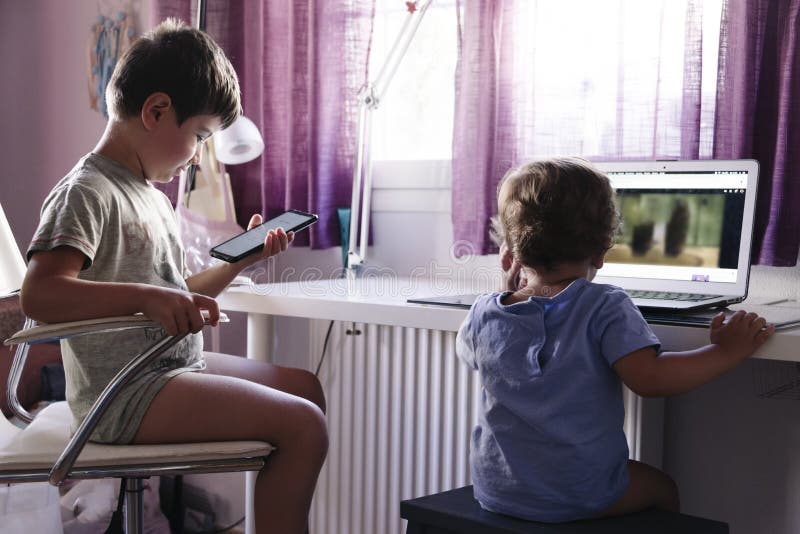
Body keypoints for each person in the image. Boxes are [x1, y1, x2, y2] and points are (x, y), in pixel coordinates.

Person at [20, 19, 327, 534]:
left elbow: (174, 296)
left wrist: (238, 263)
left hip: (169, 370)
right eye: (199, 136)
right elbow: (40, 295)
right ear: (157, 111)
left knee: (306, 390)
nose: (199, 154)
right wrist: (146, 300)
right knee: (304, 425)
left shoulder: (151, 196)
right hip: (123, 393)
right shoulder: (87, 191)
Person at [456, 157, 774, 523]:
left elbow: (470, 354)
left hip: (496, 487)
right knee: (662, 487)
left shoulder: (484, 311)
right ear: (603, 250)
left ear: (510, 255)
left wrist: (507, 291)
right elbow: (651, 379)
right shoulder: (604, 305)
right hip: (574, 493)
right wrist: (725, 351)